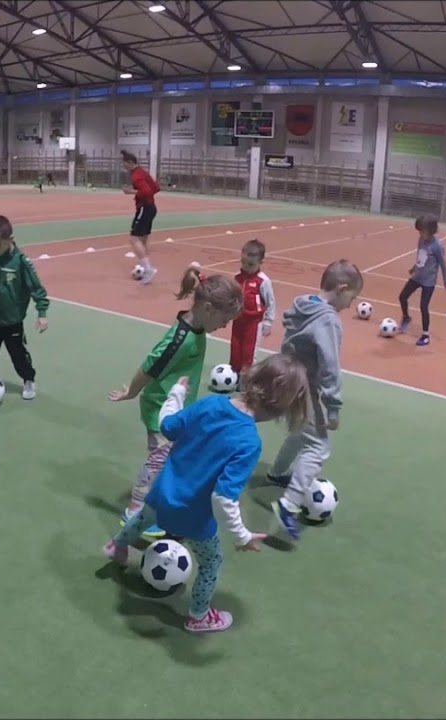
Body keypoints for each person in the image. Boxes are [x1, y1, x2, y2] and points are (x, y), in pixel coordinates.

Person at [104, 354, 311, 633]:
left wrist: (177, 394)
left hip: (161, 492)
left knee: (142, 518)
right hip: (193, 517)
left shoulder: (212, 403)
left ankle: (117, 547)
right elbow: (223, 497)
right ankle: (198, 616)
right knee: (211, 562)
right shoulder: (248, 441)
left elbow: (168, 426)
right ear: (281, 407)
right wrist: (242, 535)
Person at [109, 269, 242, 539]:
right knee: (158, 460)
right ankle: (134, 510)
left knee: (172, 459)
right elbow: (150, 365)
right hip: (160, 407)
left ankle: (158, 506)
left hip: (177, 407)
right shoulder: (181, 339)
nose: (225, 326)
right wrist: (132, 392)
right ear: (207, 308)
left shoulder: (197, 325)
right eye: (225, 319)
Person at [265, 259, 364, 541]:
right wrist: (333, 407)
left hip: (283, 377)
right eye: (352, 297)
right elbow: (330, 365)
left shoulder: (303, 304)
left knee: (299, 433)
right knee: (319, 446)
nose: (350, 304)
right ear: (342, 289)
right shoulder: (328, 320)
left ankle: (276, 474)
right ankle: (289, 503)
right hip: (302, 386)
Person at [0, 215, 49, 402]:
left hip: (12, 321)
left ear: (10, 240)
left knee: (18, 355)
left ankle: (28, 379)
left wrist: (42, 313)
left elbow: (37, 289)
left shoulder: (21, 263)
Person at [398, 214, 446, 346]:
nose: (421, 234)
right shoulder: (421, 240)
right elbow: (420, 256)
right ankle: (406, 317)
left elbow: (443, 265)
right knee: (402, 296)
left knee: (423, 306)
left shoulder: (437, 246)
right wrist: (413, 268)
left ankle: (425, 335)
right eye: (419, 231)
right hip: (417, 277)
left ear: (431, 230)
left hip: (428, 282)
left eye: (423, 231)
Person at [232, 240, 276, 375]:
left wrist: (268, 322)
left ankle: (247, 378)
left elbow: (271, 302)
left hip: (253, 322)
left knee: (249, 352)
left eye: (250, 264)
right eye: (243, 262)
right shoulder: (237, 278)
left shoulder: (263, 281)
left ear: (260, 262)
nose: (246, 267)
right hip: (238, 319)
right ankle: (233, 374)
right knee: (235, 348)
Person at [121, 150, 160, 285]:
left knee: (134, 238)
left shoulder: (136, 175)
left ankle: (148, 269)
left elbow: (147, 191)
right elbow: (156, 188)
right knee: (143, 240)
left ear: (130, 163)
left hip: (144, 208)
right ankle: (143, 268)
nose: (124, 167)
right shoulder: (143, 172)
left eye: (125, 164)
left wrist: (131, 192)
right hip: (151, 208)